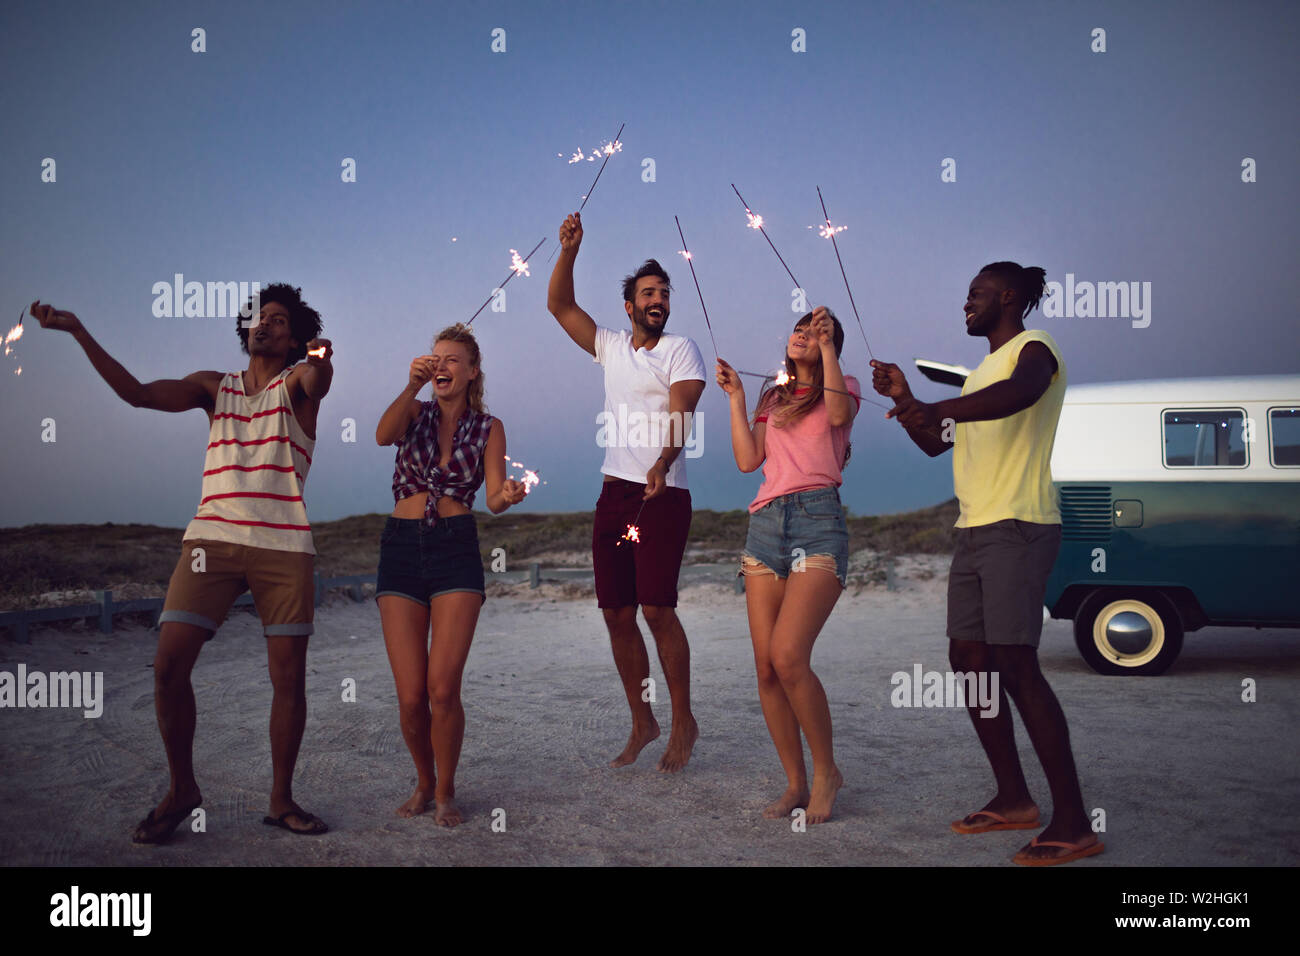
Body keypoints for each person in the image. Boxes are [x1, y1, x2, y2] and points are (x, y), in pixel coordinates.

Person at [31, 284, 335, 843]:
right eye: (257, 317)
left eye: (276, 319)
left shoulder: (298, 385)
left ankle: (281, 799)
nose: (262, 324)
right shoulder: (210, 387)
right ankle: (182, 790)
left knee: (288, 679)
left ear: (292, 337)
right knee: (169, 666)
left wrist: (318, 359)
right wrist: (78, 332)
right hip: (210, 542)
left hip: (284, 547)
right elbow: (138, 394)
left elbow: (316, 380)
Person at [871, 261, 1103, 865]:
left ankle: (1074, 822)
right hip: (974, 529)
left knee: (1016, 663)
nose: (965, 304)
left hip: (1019, 525)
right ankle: (1013, 797)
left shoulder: (1035, 349)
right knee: (969, 660)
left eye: (974, 295)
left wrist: (942, 407)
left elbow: (1021, 395)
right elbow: (934, 442)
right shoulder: (977, 380)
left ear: (1008, 296)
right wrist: (907, 400)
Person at [547, 211, 705, 772]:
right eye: (648, 292)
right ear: (629, 304)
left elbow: (683, 411)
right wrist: (569, 250)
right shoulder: (611, 345)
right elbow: (560, 307)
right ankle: (644, 720)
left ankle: (683, 719)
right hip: (613, 495)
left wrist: (664, 460)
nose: (658, 299)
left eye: (664, 291)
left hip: (662, 495)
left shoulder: (681, 349)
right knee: (617, 612)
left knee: (658, 608)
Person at [374, 323, 526, 826]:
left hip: (455, 549)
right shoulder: (413, 411)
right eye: (436, 357)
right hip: (400, 548)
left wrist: (509, 496)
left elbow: (495, 498)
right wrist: (409, 386)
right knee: (411, 694)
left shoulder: (489, 426)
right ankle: (422, 779)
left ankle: (445, 790)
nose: (442, 365)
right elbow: (382, 435)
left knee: (442, 688)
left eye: (453, 359)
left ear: (472, 371)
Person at [716, 307, 859, 823]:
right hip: (765, 526)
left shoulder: (843, 385)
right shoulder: (772, 396)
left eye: (816, 330)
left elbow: (840, 417)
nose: (803, 334)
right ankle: (795, 783)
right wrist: (735, 398)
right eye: (800, 328)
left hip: (818, 520)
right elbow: (748, 461)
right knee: (766, 668)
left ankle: (827, 771)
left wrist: (827, 349)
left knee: (789, 655)